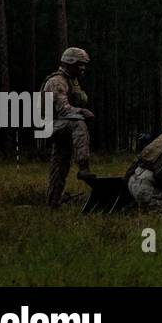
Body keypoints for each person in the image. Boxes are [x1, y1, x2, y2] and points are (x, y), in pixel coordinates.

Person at [42, 47, 96, 208]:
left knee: (60, 164)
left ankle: (53, 202)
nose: (83, 68)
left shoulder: (72, 81)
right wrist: (81, 111)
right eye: (80, 65)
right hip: (50, 124)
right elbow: (63, 110)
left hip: (60, 126)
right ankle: (84, 166)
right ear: (70, 63)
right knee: (78, 122)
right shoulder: (57, 81)